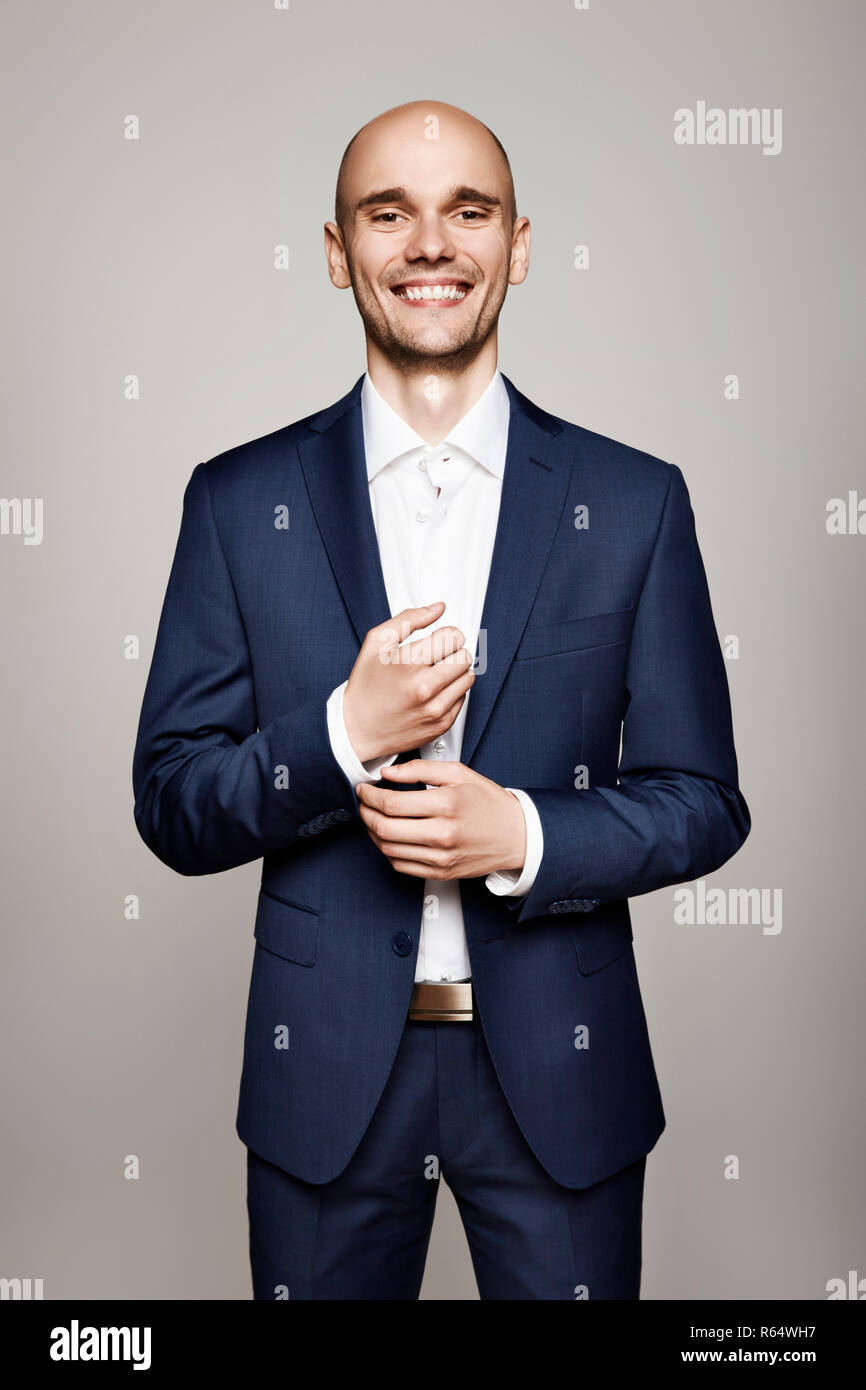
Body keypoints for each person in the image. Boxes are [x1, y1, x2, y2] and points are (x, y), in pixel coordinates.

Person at [132, 99, 750, 1300]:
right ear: (335, 251)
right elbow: (170, 801)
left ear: (516, 245)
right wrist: (337, 737)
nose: (429, 244)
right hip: (323, 1084)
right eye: (388, 213)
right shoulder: (233, 501)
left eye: (466, 212)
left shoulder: (633, 503)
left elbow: (703, 799)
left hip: (563, 1089)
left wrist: (521, 833)